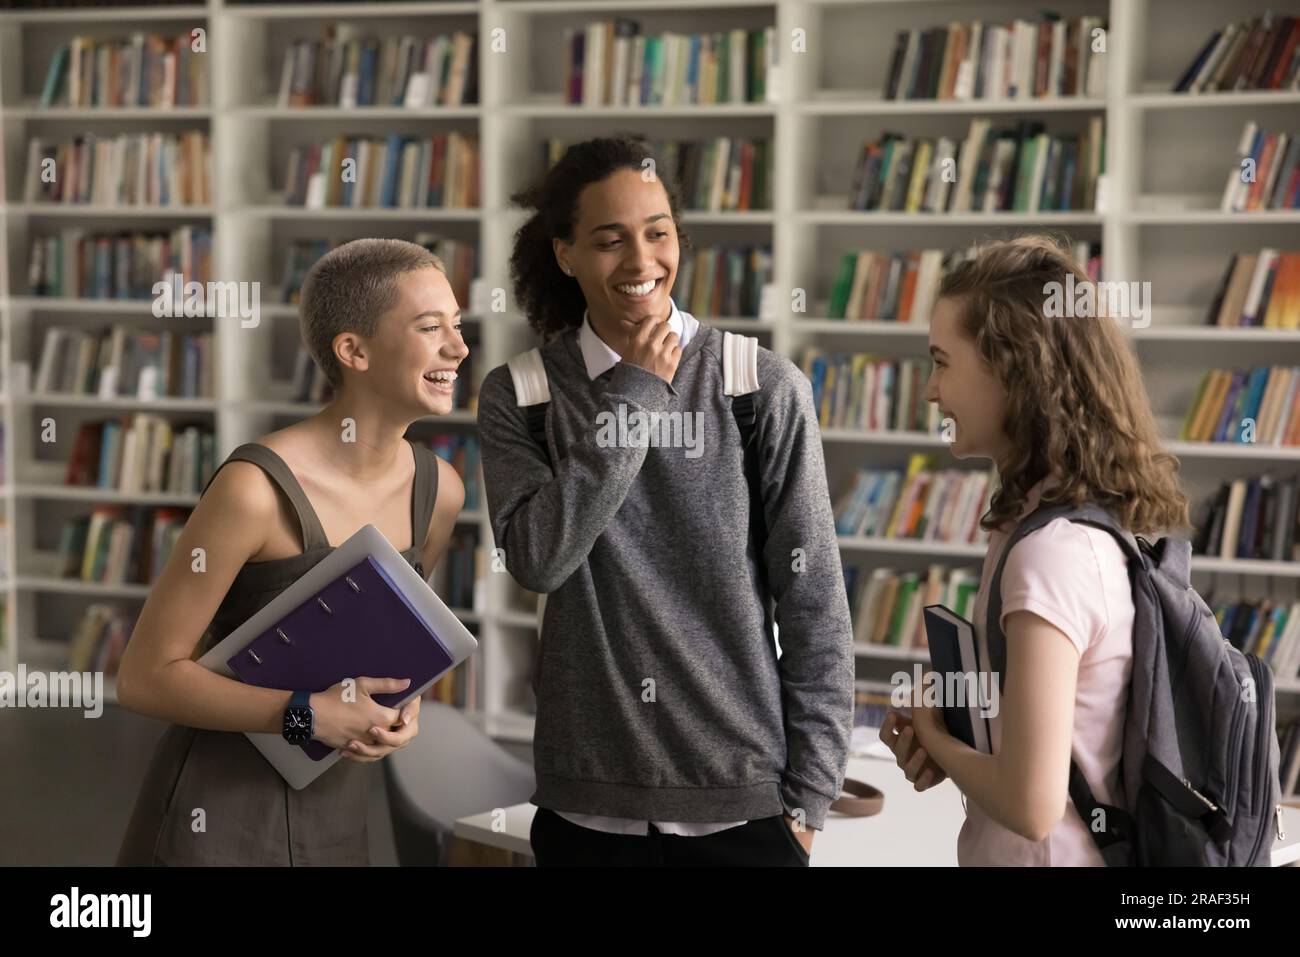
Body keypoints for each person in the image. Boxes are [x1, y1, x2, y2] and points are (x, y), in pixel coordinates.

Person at [477, 136, 854, 866]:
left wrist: (808, 801)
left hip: (742, 809)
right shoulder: (522, 395)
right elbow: (539, 559)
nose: (641, 261)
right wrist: (639, 395)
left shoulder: (759, 386)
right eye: (609, 240)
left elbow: (816, 605)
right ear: (564, 254)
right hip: (585, 806)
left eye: (658, 234)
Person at [116, 239, 468, 865]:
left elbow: (391, 641)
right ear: (353, 351)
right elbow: (144, 680)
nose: (458, 348)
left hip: (336, 808)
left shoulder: (440, 490)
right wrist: (305, 716)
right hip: (217, 813)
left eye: (458, 326)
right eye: (429, 327)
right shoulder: (252, 490)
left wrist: (399, 711)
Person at [880, 234, 1191, 866]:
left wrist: (937, 739)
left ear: (1014, 370)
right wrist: (956, 734)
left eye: (943, 363)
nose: (931, 393)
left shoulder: (1051, 552)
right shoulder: (1039, 526)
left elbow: (1031, 804)